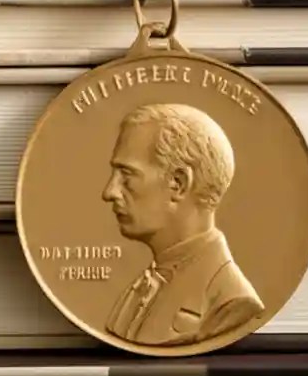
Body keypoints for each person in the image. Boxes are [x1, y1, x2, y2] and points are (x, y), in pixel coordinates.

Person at [102, 103, 263, 345]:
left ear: (178, 184)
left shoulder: (232, 303)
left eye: (127, 175)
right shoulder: (144, 284)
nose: (109, 192)